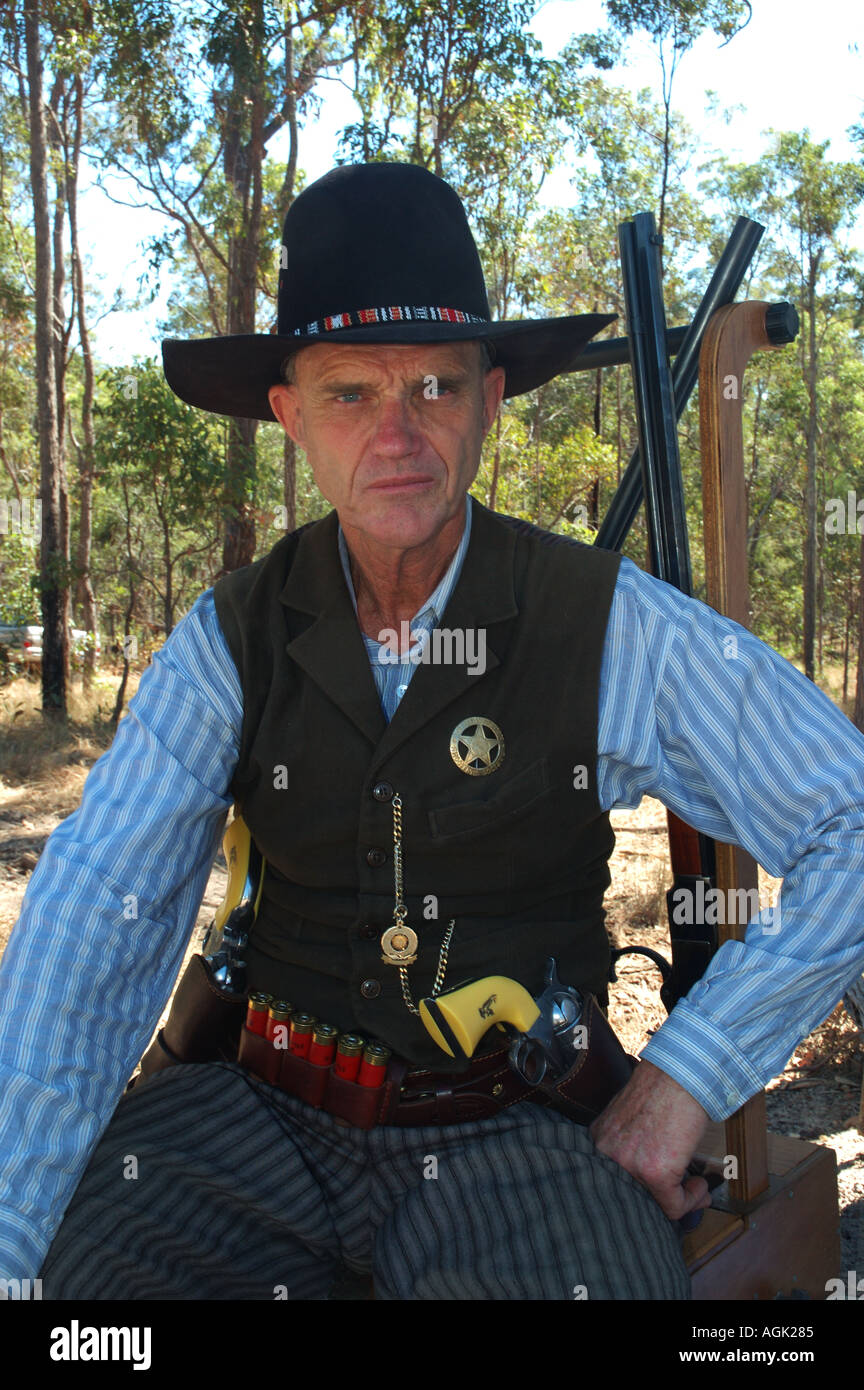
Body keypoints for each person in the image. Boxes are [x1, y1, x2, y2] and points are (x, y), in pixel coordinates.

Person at [1, 162, 863, 1302]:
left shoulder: (604, 624)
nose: (397, 433)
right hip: (253, 1118)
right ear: (290, 415)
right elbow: (95, 913)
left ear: (490, 401)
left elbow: (849, 817)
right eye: (351, 392)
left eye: (436, 390)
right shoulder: (230, 638)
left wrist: (688, 1078)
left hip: (517, 1145)